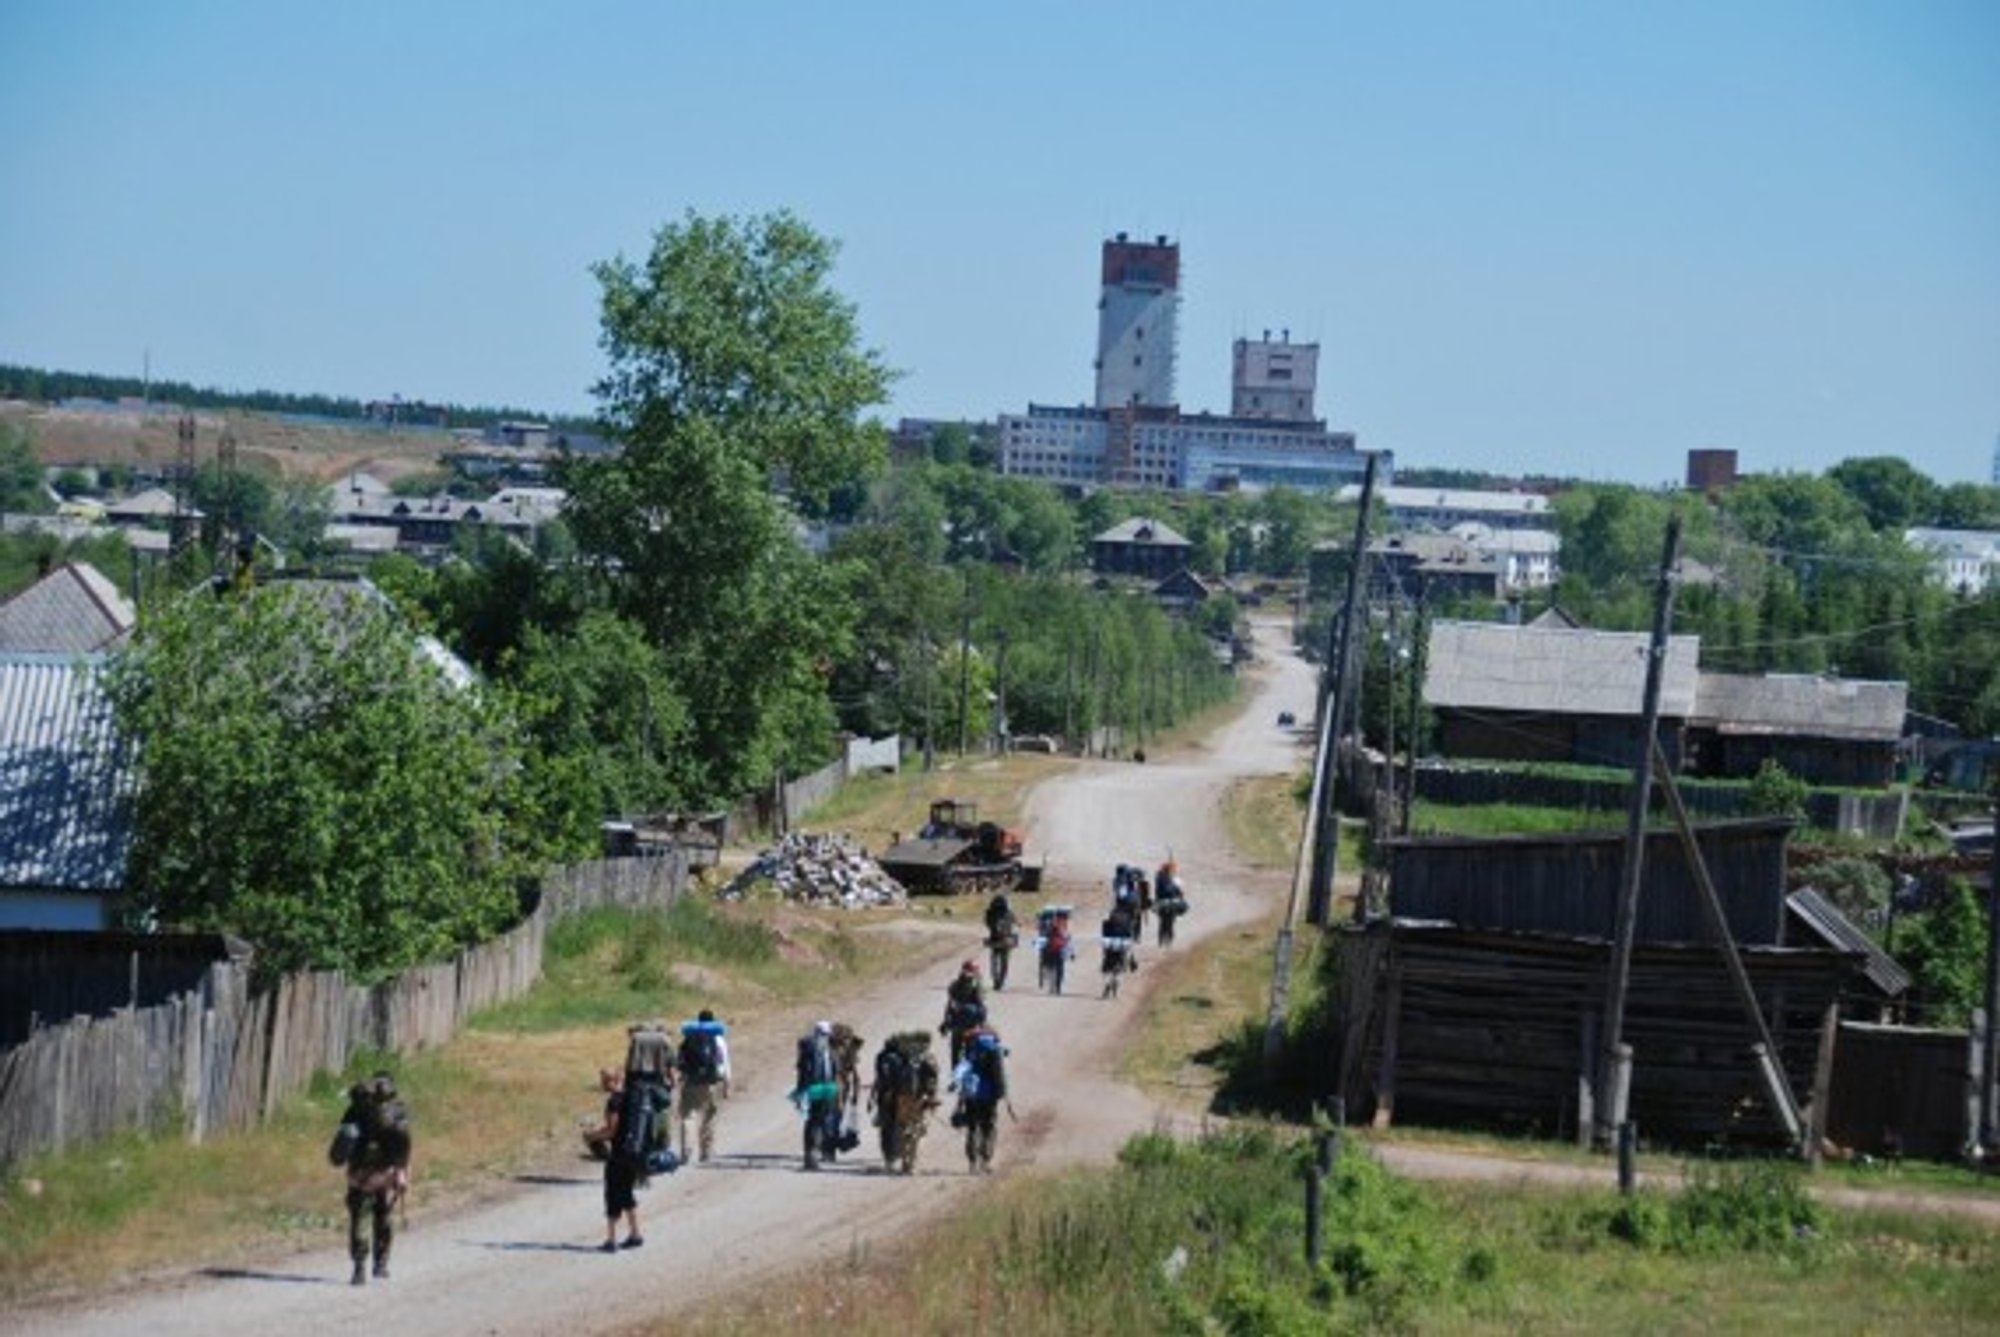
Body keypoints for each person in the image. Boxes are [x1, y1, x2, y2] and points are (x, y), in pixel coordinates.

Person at [334, 1071, 411, 1286]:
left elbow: (342, 1144)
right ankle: (381, 1264)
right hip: (386, 1173)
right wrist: (402, 1173)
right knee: (384, 1216)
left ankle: (359, 1269)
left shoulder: (355, 1110)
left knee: (360, 1218)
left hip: (359, 1173)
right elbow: (404, 1146)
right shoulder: (397, 1110)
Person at [869, 1030, 941, 1174]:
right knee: (915, 1131)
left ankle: (897, 1160)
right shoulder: (926, 1058)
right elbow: (932, 1079)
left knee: (903, 1129)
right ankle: (909, 1164)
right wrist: (931, 1097)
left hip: (902, 1099)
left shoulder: (892, 1057)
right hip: (919, 1099)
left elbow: (882, 1079)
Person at [949, 1025, 1008, 1174]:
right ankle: (985, 1161)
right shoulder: (994, 1048)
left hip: (971, 1094)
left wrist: (961, 1096)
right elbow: (999, 1073)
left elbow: (962, 1070)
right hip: (988, 1095)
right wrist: (1002, 1092)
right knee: (988, 1126)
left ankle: (972, 1163)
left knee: (972, 1126)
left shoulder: (970, 1047)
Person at [676, 1009, 731, 1164]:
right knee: (710, 1115)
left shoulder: (688, 1038)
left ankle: (686, 1150)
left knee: (688, 1115)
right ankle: (706, 1151)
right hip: (712, 1081)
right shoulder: (718, 1039)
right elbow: (724, 1062)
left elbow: (679, 1060)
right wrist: (727, 1084)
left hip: (691, 1081)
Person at [794, 1019, 843, 1170]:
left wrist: (837, 1092)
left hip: (828, 1089)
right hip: (814, 1089)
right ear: (816, 1034)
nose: (825, 1037)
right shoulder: (809, 1053)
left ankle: (822, 1151)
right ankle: (810, 1156)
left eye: (827, 1035)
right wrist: (801, 1093)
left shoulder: (830, 1051)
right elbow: (803, 1074)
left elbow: (835, 1072)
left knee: (825, 1121)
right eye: (823, 1034)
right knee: (814, 1122)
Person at [940, 960, 987, 1066]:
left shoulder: (956, 985)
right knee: (968, 1053)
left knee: (958, 1052)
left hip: (960, 1025)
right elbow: (982, 1008)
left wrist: (945, 1022)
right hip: (967, 1026)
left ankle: (957, 1074)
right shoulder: (974, 986)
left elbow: (949, 1006)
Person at [983, 893, 1020, 990]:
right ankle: (1001, 981)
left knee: (994, 961)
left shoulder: (990, 912)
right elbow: (1015, 923)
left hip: (994, 938)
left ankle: (996, 980)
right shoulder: (1009, 913)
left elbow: (987, 923)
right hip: (1006, 940)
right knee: (1004, 962)